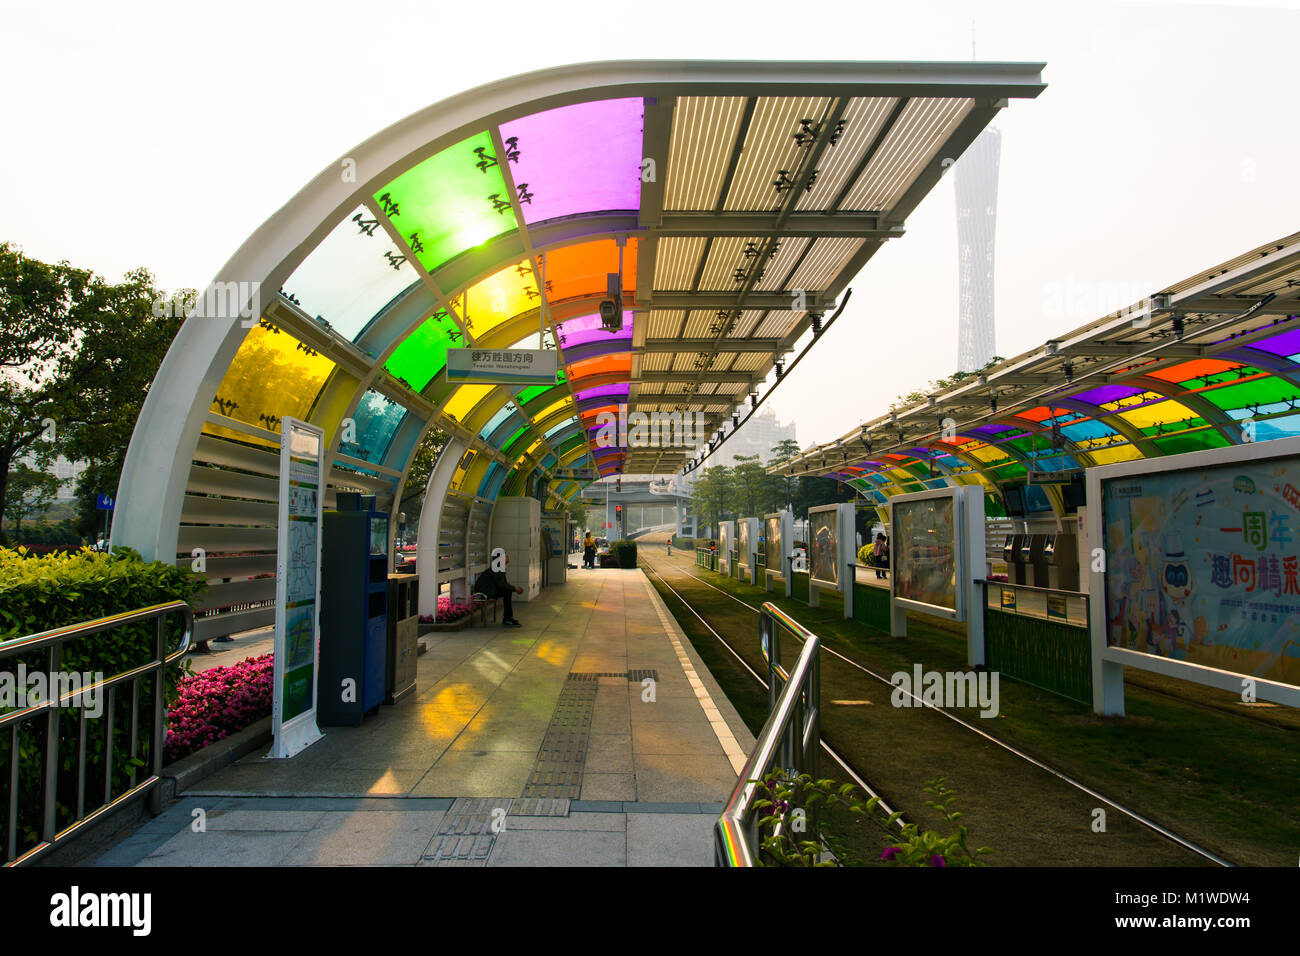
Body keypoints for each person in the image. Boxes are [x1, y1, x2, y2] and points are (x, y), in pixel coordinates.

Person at [474, 552, 524, 627]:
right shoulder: (496, 569)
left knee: (507, 591)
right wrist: (515, 589)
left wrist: (513, 589)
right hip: (484, 593)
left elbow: (504, 584)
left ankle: (508, 618)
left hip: (489, 590)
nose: (507, 557)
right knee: (507, 591)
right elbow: (502, 585)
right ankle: (507, 619)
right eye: (505, 556)